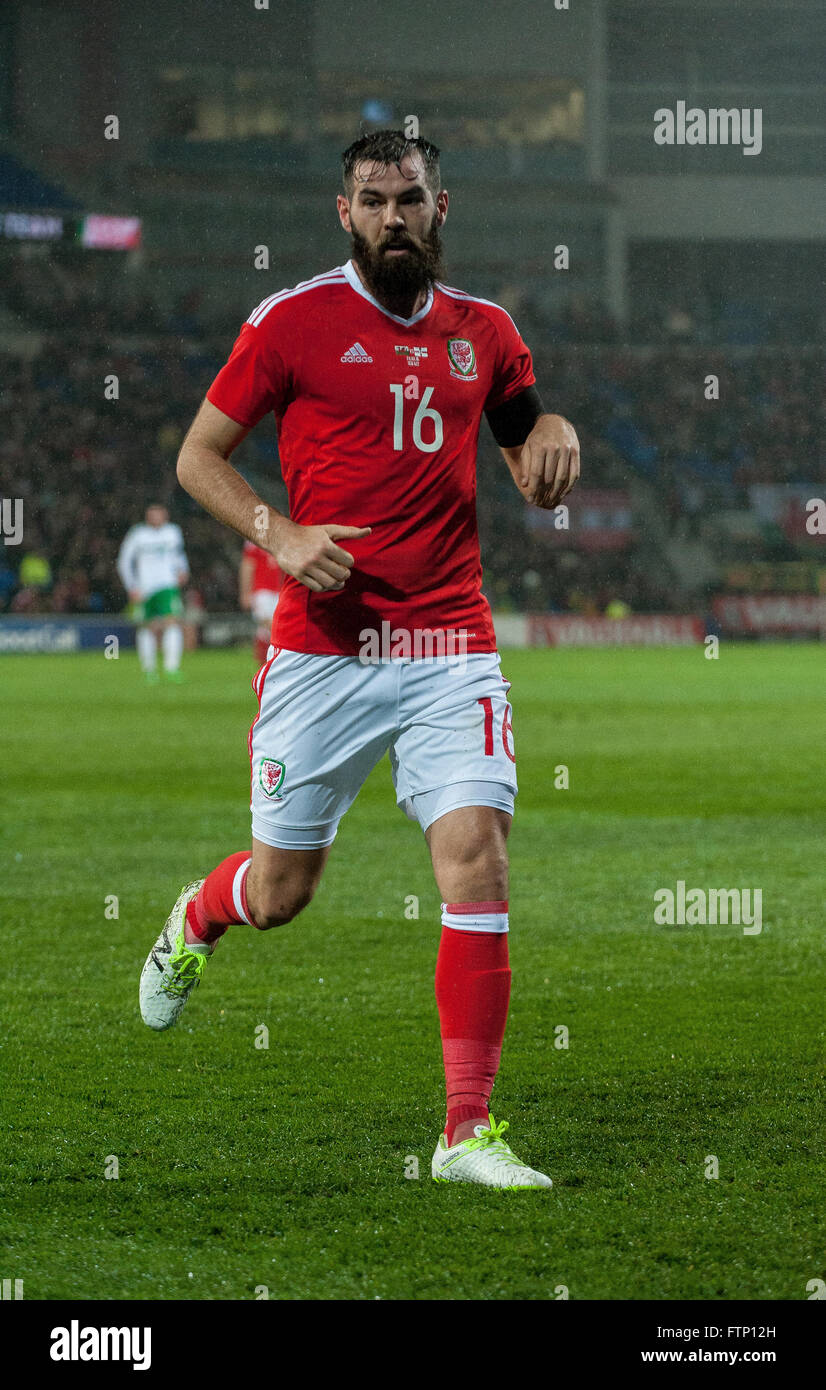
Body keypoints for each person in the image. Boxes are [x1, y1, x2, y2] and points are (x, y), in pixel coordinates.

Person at [139, 131, 580, 1187]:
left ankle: (464, 1132)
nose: (393, 216)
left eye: (410, 199)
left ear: (442, 209)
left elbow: (523, 441)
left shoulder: (487, 332)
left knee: (476, 855)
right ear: (345, 213)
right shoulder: (290, 322)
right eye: (373, 200)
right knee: (282, 890)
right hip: (323, 652)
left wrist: (551, 433)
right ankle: (198, 915)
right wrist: (279, 534)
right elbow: (198, 456)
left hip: (448, 641)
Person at [117, 503, 189, 682]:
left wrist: (183, 570)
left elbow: (179, 554)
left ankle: (171, 668)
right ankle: (149, 669)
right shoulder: (138, 535)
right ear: (147, 516)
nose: (157, 517)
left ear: (166, 515)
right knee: (146, 626)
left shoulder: (173, 531)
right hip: (145, 587)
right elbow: (124, 561)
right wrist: (131, 586)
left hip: (168, 585)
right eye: (153, 514)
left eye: (160, 514)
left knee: (172, 622)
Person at [239, 539, 284, 665]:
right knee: (270, 625)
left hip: (279, 590)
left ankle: (268, 663)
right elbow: (248, 565)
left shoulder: (279, 534)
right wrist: (245, 592)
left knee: (266, 630)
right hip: (262, 591)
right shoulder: (254, 538)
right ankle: (270, 662)